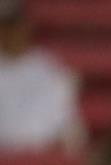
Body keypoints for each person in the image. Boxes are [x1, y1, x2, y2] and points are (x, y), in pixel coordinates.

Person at [0, 0, 80, 153]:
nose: (10, 32)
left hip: (40, 162)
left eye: (14, 24)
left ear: (26, 25)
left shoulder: (51, 70)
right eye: (5, 25)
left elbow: (66, 126)